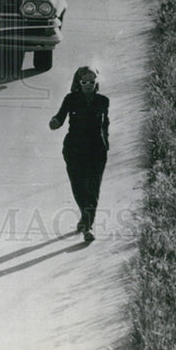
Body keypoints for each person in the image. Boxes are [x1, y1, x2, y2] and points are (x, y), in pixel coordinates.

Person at [49, 65, 109, 243]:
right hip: (74, 148)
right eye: (84, 81)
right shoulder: (71, 99)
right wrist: (54, 122)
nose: (88, 84)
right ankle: (85, 216)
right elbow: (60, 117)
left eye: (92, 81)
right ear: (78, 82)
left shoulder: (103, 101)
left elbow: (106, 124)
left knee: (93, 189)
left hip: (97, 149)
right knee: (78, 186)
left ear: (96, 82)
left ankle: (88, 227)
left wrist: (106, 144)